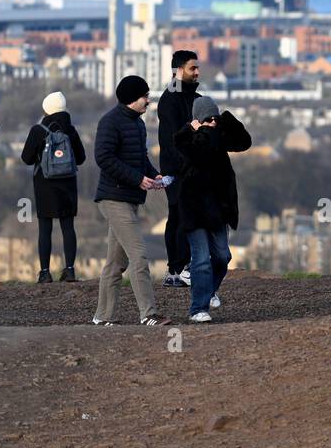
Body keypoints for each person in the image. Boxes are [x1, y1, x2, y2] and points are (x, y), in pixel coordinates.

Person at [92, 75, 171, 326]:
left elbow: (140, 157)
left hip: (130, 198)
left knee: (116, 263)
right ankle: (148, 314)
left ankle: (101, 318)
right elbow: (103, 157)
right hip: (113, 198)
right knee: (139, 256)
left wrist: (152, 174)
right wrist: (137, 179)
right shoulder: (109, 122)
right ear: (131, 99)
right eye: (144, 96)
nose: (148, 100)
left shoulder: (137, 124)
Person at [173, 95, 251, 323]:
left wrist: (225, 119)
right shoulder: (190, 141)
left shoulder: (220, 137)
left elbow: (244, 142)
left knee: (222, 256)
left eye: (214, 119)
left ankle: (209, 291)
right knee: (200, 260)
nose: (212, 123)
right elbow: (187, 148)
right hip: (195, 210)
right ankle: (199, 308)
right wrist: (192, 130)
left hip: (218, 209)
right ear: (197, 120)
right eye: (208, 119)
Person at [20, 91, 87, 283]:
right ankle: (70, 270)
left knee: (45, 228)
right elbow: (81, 159)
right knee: (68, 227)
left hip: (44, 184)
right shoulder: (71, 130)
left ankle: (44, 272)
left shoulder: (38, 130)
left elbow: (26, 158)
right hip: (67, 184)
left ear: (46, 109)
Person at [157, 50, 201, 288]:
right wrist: (185, 166)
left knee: (177, 215)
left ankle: (176, 269)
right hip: (177, 169)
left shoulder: (194, 98)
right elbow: (172, 139)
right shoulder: (170, 100)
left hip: (186, 168)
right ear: (178, 71)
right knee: (181, 215)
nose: (197, 72)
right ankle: (180, 268)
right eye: (192, 68)